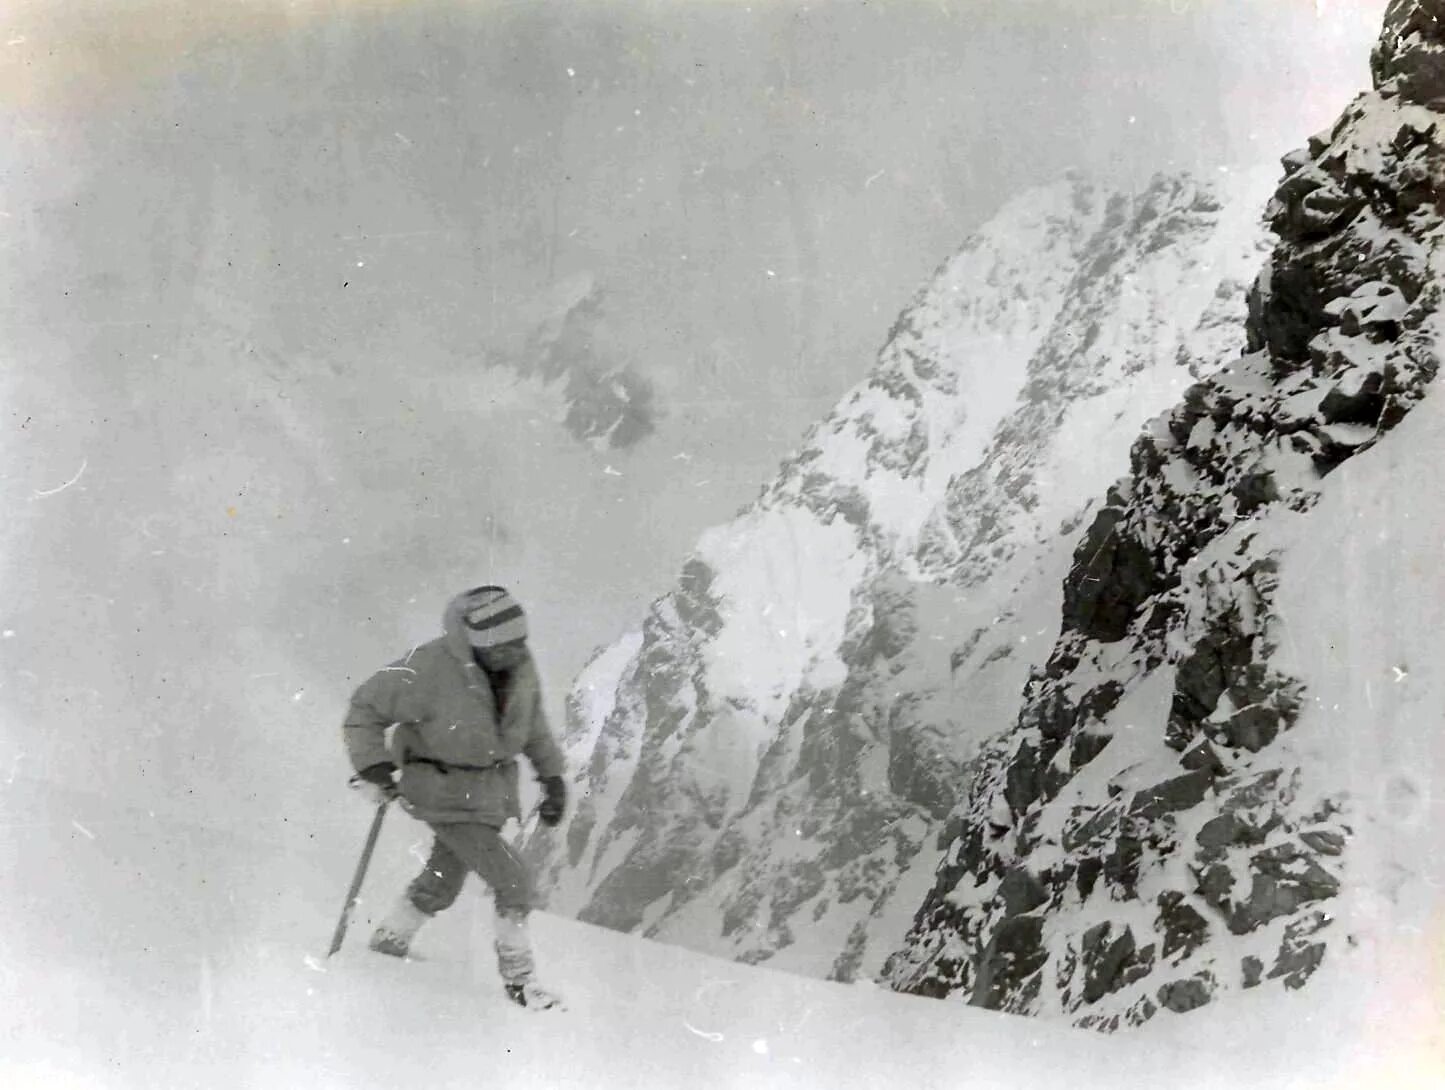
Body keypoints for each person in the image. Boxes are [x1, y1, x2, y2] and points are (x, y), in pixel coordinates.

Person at [342, 585, 569, 1009]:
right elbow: (364, 708)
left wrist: (552, 775)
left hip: (487, 793)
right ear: (480, 644)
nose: (517, 653)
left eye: (522, 642)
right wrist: (372, 764)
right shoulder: (429, 667)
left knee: (443, 879)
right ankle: (520, 982)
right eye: (505, 647)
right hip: (440, 789)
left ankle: (389, 944)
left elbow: (532, 724)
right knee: (515, 880)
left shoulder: (518, 663)